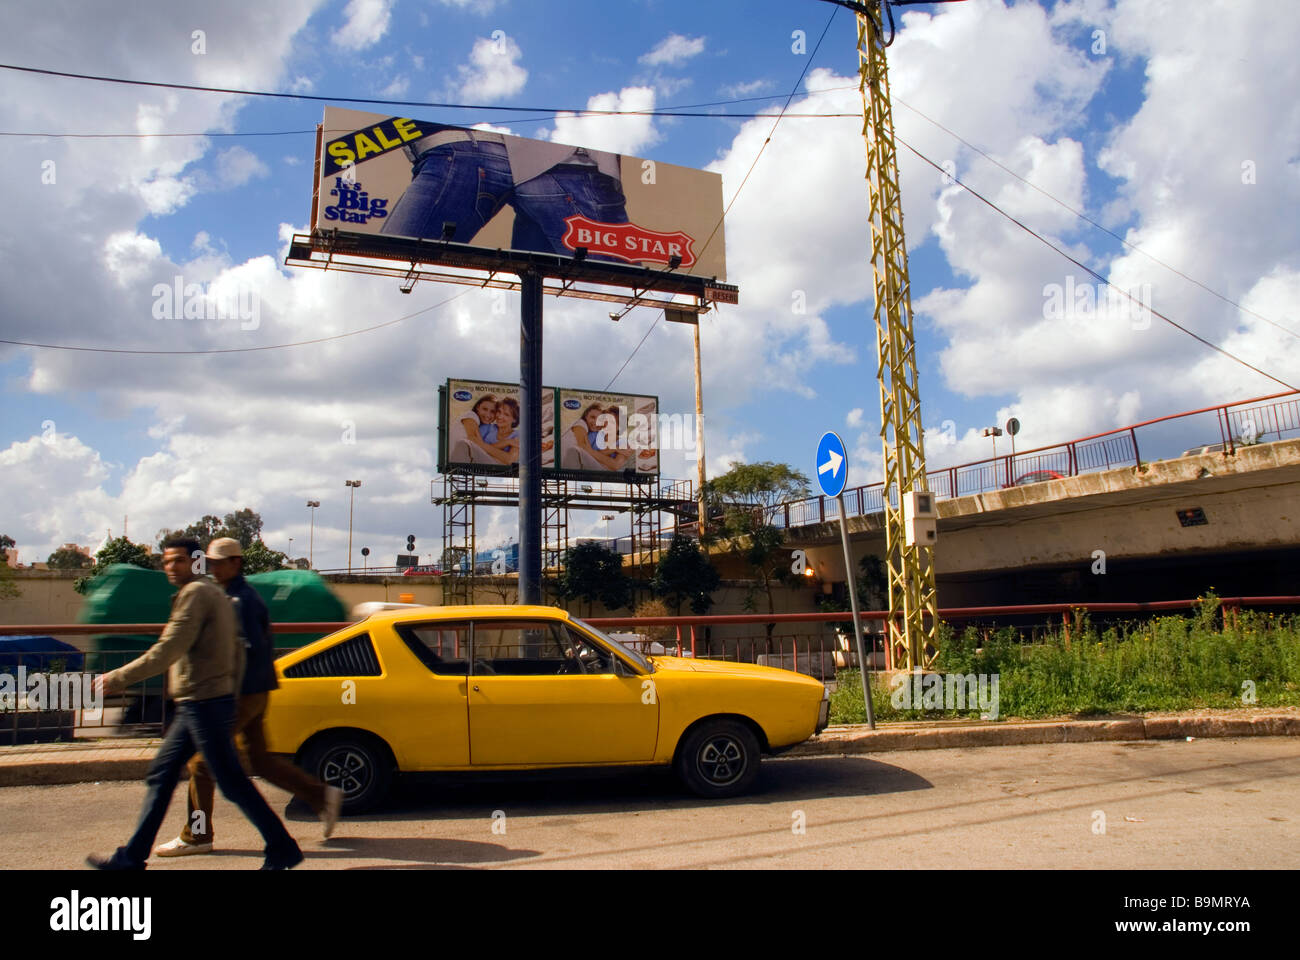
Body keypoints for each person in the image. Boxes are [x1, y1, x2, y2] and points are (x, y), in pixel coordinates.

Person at [86, 536, 303, 871]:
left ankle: (282, 847)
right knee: (163, 774)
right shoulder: (215, 593)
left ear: (196, 561)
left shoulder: (198, 595)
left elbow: (168, 649)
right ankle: (131, 858)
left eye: (179, 561)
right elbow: (235, 653)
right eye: (167, 561)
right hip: (199, 703)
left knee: (230, 782)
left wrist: (115, 679)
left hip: (205, 703)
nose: (171, 567)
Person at [152, 538, 342, 858]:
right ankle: (322, 796)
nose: (211, 567)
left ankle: (197, 834)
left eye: (217, 563)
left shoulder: (237, 600)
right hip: (256, 692)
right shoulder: (237, 595)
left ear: (235, 563)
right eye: (209, 562)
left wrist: (224, 694)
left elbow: (242, 652)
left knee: (200, 764)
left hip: (240, 694)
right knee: (260, 760)